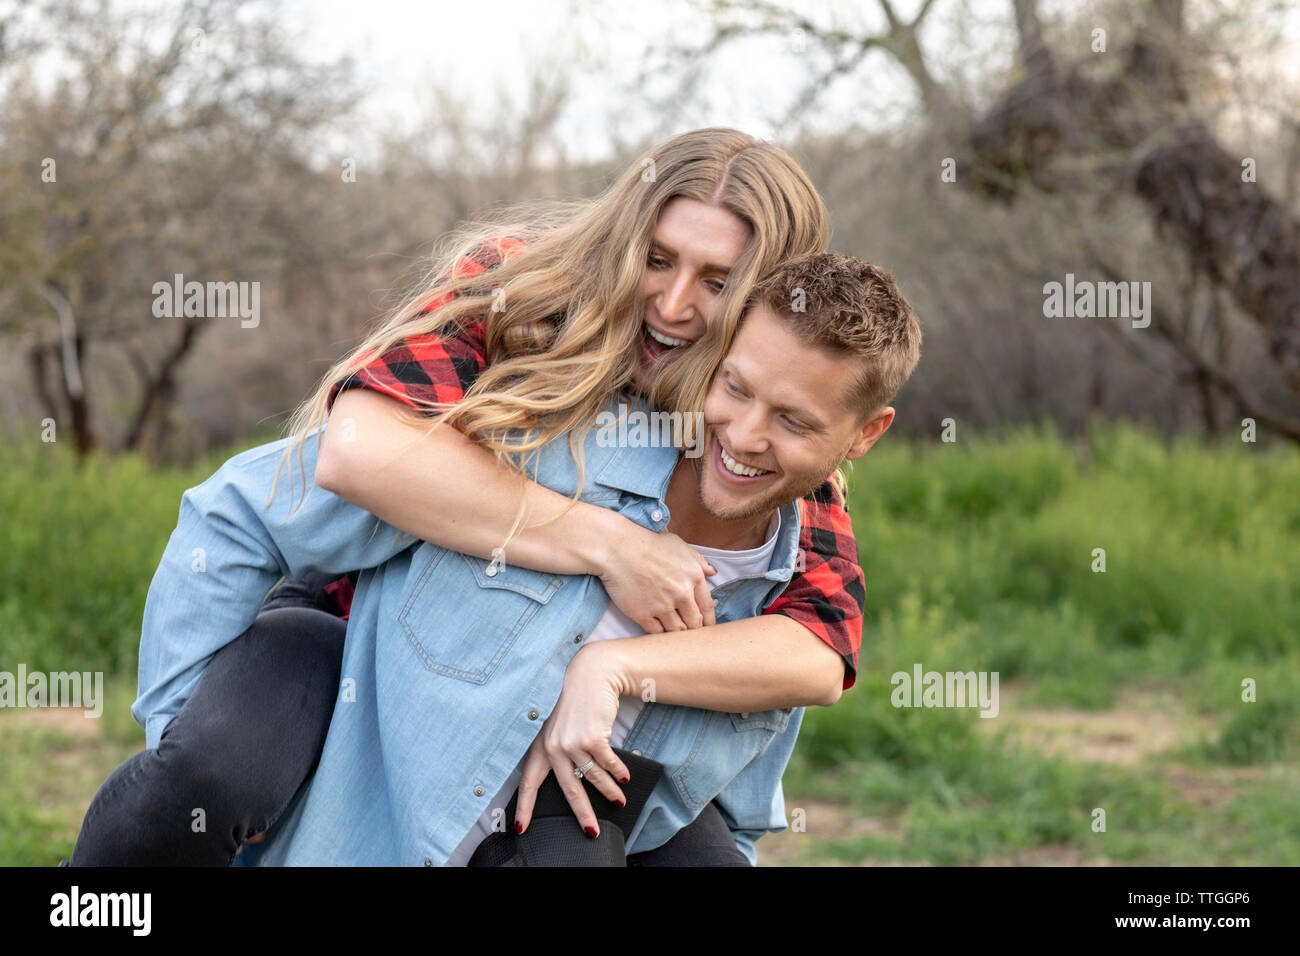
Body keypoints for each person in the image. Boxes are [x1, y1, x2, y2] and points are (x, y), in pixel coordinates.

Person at [68, 129, 867, 865]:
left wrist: (616, 668)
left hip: (559, 728)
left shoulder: (753, 430)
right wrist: (611, 544)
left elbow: (819, 641)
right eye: (658, 260)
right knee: (213, 772)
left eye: (720, 282)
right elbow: (356, 451)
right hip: (365, 631)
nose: (673, 303)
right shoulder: (526, 295)